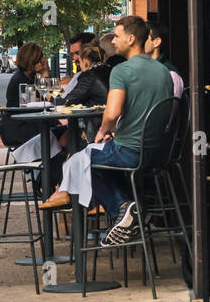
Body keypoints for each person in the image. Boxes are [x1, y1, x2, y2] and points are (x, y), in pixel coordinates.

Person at [40, 17, 172, 238]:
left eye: (118, 36)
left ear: (131, 39)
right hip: (158, 152)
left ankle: (122, 210)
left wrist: (103, 131)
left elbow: (112, 112)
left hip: (130, 151)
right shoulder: (162, 71)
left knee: (77, 162)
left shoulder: (121, 71)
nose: (113, 40)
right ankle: (128, 210)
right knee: (95, 161)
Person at [0, 41, 45, 148]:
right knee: (59, 134)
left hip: (24, 123)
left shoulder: (27, 77)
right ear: (31, 61)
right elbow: (38, 105)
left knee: (60, 131)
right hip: (19, 129)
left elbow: (42, 102)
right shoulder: (21, 80)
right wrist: (44, 75)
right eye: (39, 60)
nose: (42, 63)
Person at [144, 26, 184, 98]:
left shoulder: (170, 73)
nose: (139, 41)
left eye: (144, 38)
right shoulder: (139, 67)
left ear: (156, 42)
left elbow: (172, 105)